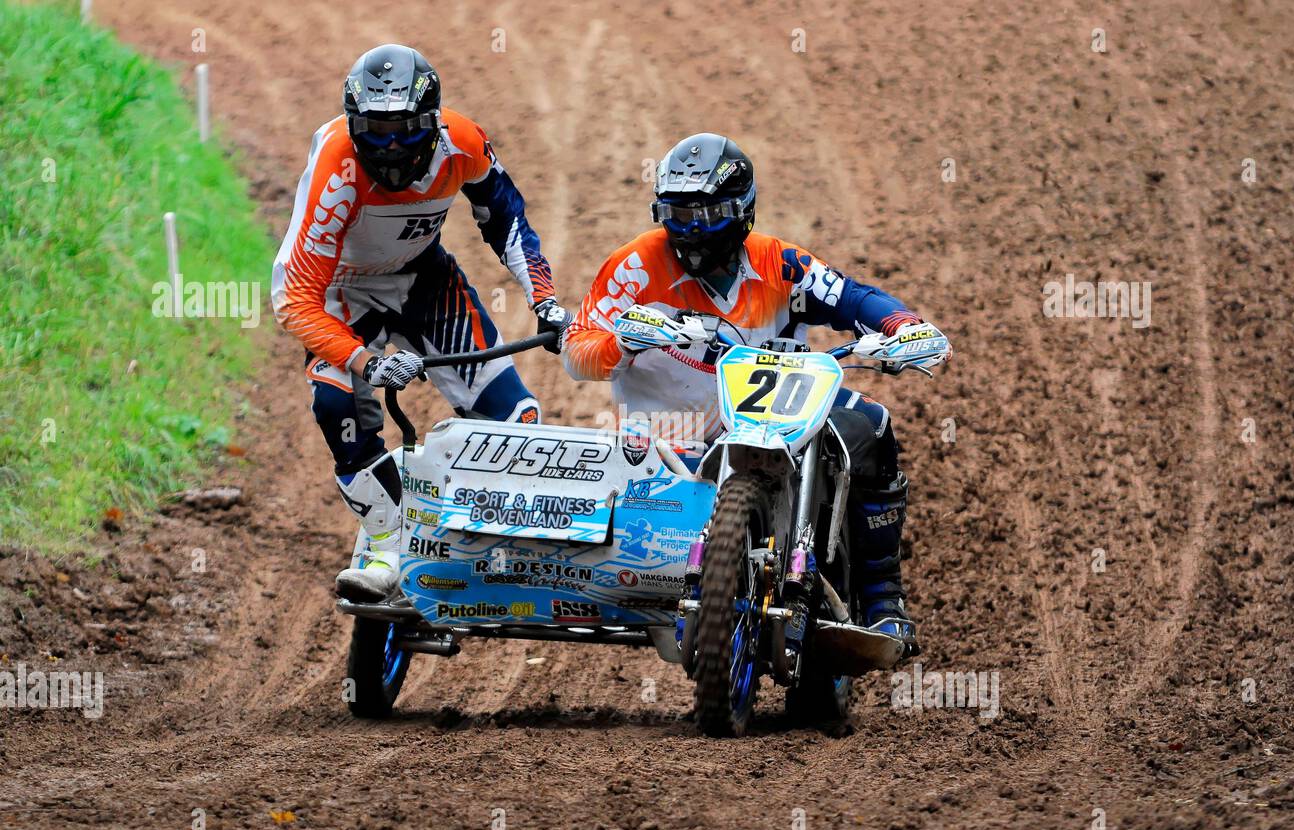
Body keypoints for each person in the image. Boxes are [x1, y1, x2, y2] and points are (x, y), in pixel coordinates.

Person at [562, 133, 951, 638]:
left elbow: (853, 299)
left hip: (774, 416)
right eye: (676, 215)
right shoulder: (634, 266)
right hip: (669, 432)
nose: (691, 230)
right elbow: (576, 354)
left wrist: (903, 325)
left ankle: (883, 597)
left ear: (742, 211)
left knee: (872, 426)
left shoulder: (779, 262)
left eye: (705, 214)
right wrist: (622, 343)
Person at [271, 44, 570, 601]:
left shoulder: (464, 141)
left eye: (405, 129)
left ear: (432, 122)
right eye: (374, 129)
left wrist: (546, 300)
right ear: (352, 123)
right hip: (340, 290)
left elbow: (506, 221)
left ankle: (493, 536)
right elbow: (294, 300)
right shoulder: (337, 167)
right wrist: (366, 362)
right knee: (337, 408)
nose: (389, 146)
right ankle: (388, 544)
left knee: (513, 417)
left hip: (425, 279)